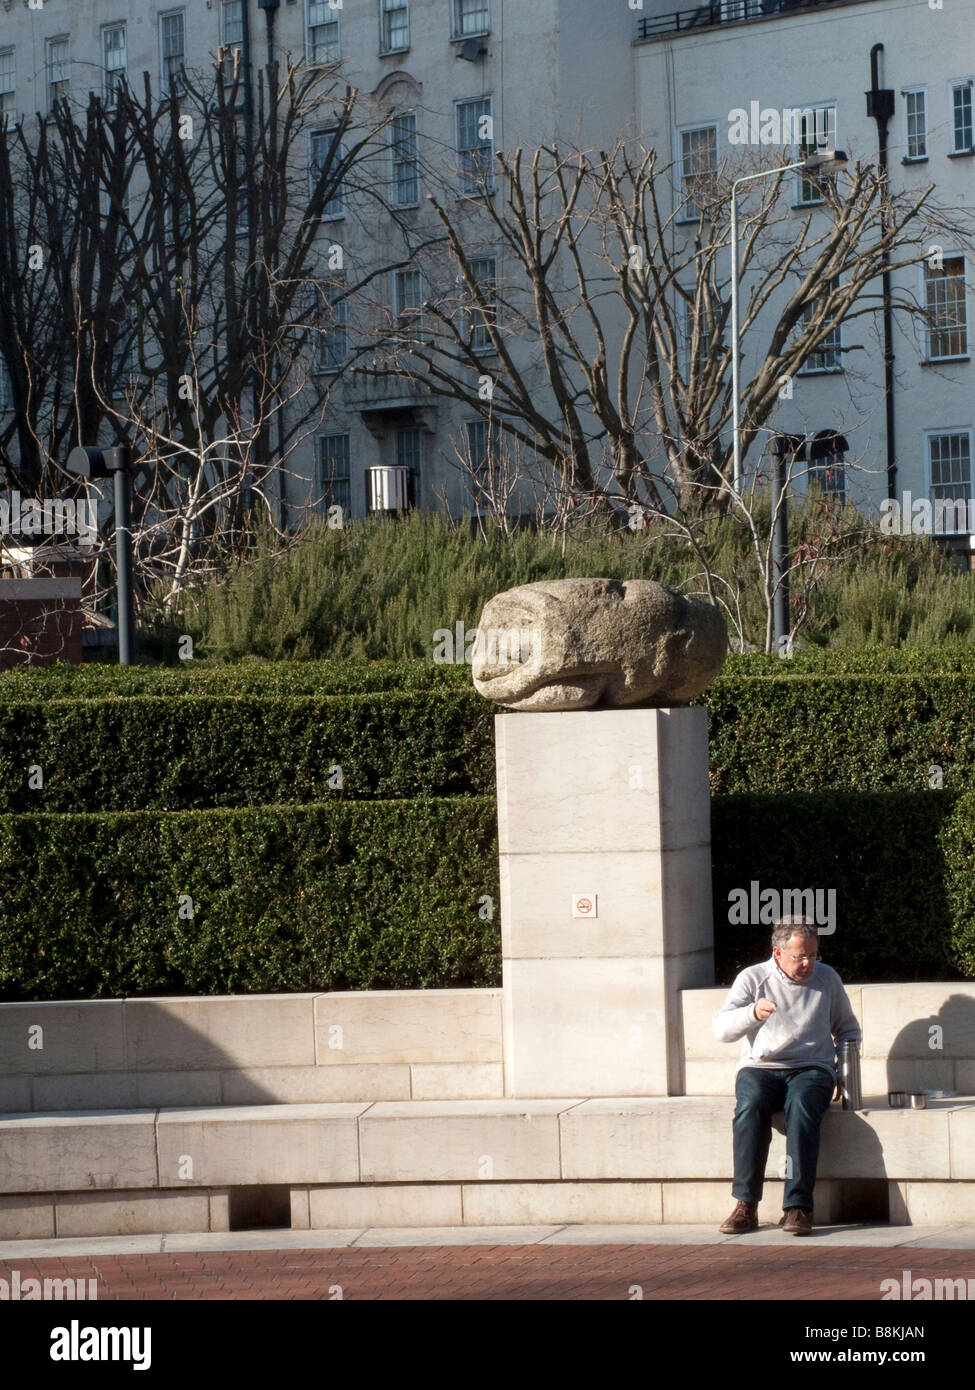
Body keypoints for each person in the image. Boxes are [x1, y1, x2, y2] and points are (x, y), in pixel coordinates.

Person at [712, 916, 861, 1236]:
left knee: (803, 1108)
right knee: (749, 1108)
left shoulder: (827, 979)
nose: (807, 963)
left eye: (812, 955)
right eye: (799, 956)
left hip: (812, 1067)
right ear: (777, 953)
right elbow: (721, 1030)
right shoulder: (753, 978)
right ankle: (745, 1205)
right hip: (761, 1067)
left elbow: (848, 1029)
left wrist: (844, 1076)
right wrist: (752, 1013)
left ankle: (798, 1207)